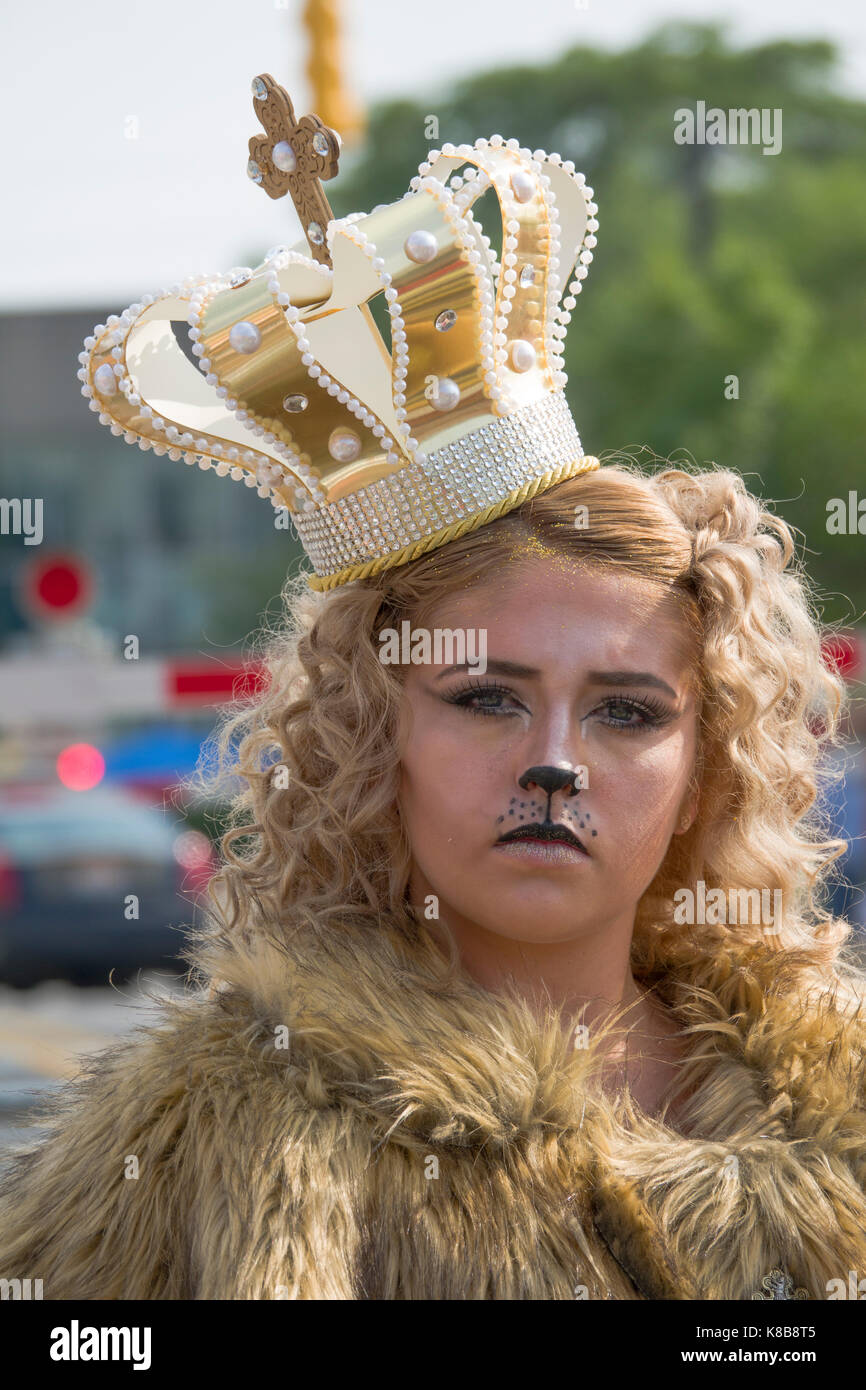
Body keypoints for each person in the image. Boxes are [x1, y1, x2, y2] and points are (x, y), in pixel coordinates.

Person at [2, 105, 864, 1300]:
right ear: (371, 737)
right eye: (483, 698)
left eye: (625, 711)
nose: (553, 762)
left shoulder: (844, 1110)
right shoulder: (208, 1138)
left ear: (704, 770)